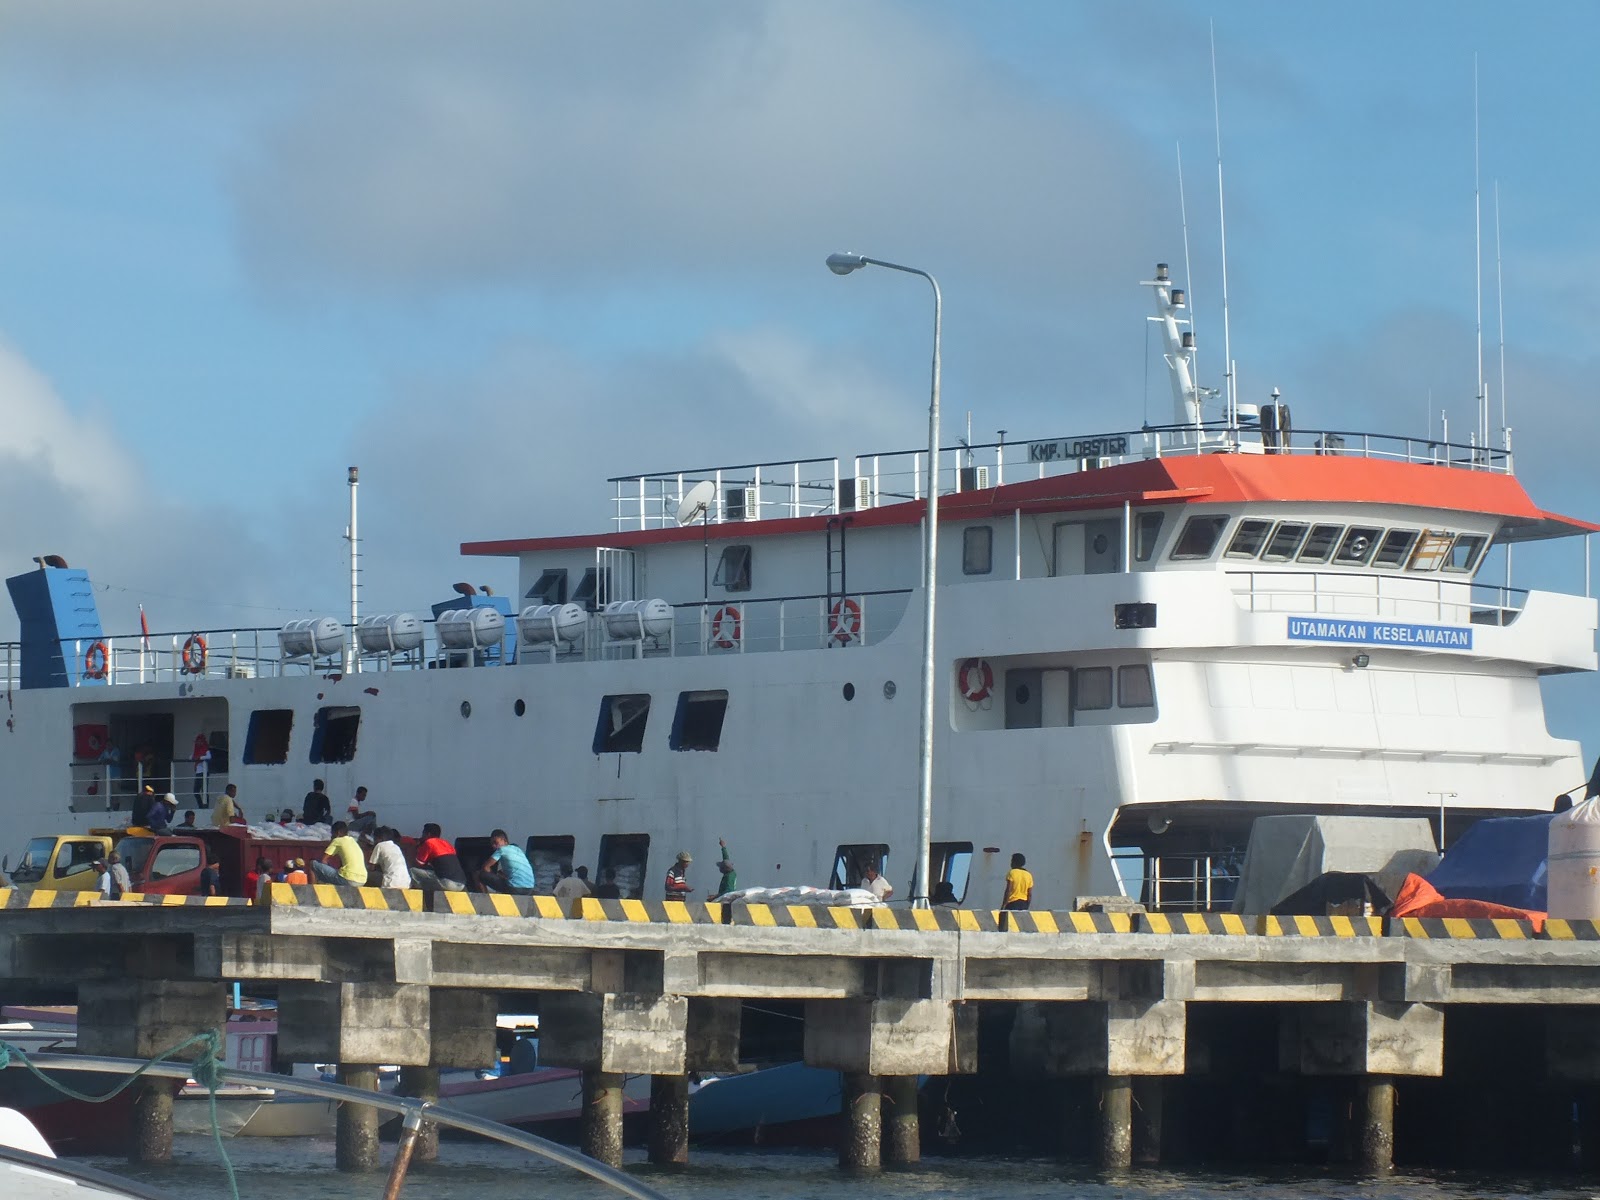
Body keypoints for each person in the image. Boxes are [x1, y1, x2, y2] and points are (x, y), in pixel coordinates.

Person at [410, 824, 467, 892]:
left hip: (448, 883)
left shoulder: (429, 842)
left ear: (428, 834)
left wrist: (415, 848)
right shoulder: (447, 844)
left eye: (423, 834)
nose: (422, 836)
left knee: (412, 871)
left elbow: (418, 864)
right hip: (461, 884)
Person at [312, 821, 368, 887]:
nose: (331, 835)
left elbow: (324, 860)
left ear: (338, 832)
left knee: (313, 864)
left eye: (332, 833)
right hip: (362, 880)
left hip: (348, 879)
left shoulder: (337, 840)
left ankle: (312, 889)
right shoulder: (353, 841)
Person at [479, 830, 534, 895]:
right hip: (529, 889)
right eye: (492, 844)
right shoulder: (518, 850)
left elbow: (486, 867)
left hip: (514, 888)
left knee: (479, 875)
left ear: (504, 841)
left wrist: (492, 875)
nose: (494, 846)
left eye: (495, 842)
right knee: (501, 874)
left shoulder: (501, 850)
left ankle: (485, 898)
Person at [191, 733, 211, 802]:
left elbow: (209, 756)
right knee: (196, 791)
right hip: (198, 772)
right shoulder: (196, 750)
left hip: (204, 772)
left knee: (204, 791)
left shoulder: (206, 749)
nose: (198, 743)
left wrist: (200, 757)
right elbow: (191, 757)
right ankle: (201, 805)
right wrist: (194, 758)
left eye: (200, 741)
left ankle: (205, 805)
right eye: (197, 741)